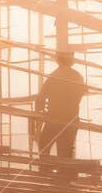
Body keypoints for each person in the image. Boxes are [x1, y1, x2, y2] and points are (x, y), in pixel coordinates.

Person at [34, 47, 87, 178]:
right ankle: (64, 177)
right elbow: (80, 94)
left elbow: (41, 98)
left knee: (44, 144)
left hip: (55, 117)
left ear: (58, 60)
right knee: (65, 149)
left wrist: (39, 114)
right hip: (71, 118)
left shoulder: (54, 75)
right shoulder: (77, 76)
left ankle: (45, 172)